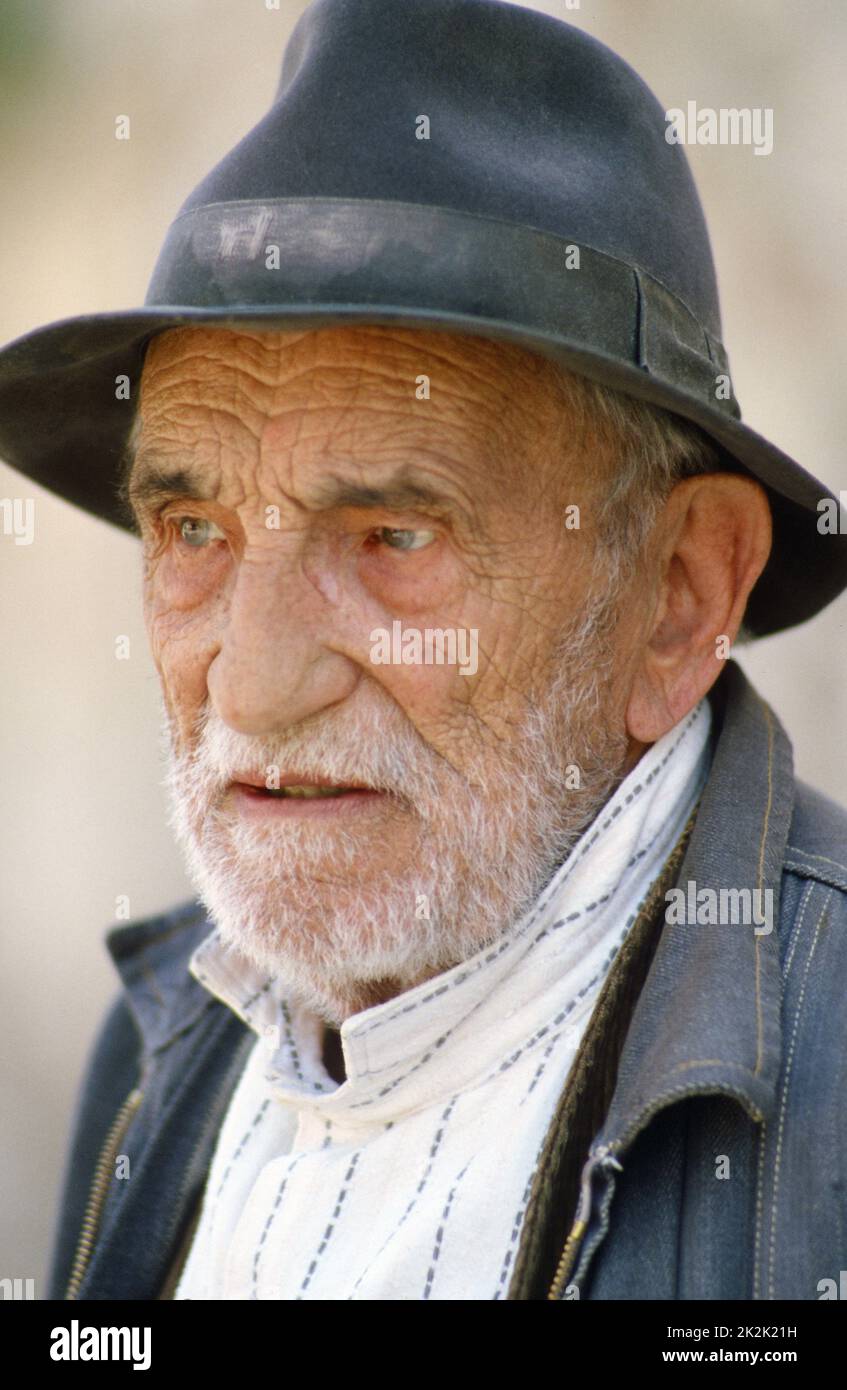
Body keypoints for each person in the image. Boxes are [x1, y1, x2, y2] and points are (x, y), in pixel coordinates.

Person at [1, 0, 845, 1301]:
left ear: (676, 595)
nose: (253, 685)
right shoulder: (160, 1040)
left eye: (394, 533)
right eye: (192, 526)